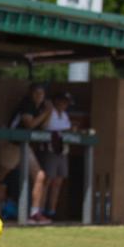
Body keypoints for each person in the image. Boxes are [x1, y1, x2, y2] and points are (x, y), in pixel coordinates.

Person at [0, 83, 52, 224]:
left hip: (25, 146)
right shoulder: (26, 104)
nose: (39, 96)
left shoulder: (40, 107)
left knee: (40, 175)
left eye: (41, 94)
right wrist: (45, 113)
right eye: (36, 93)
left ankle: (34, 213)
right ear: (31, 93)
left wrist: (48, 112)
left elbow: (44, 126)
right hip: (12, 145)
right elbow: (30, 124)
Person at [40, 92, 75, 220]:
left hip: (63, 151)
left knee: (58, 181)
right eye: (63, 101)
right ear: (57, 101)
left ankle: (52, 211)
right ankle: (40, 210)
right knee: (47, 180)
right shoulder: (50, 111)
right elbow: (45, 127)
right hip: (50, 150)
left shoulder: (64, 115)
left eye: (67, 103)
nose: (65, 105)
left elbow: (68, 128)